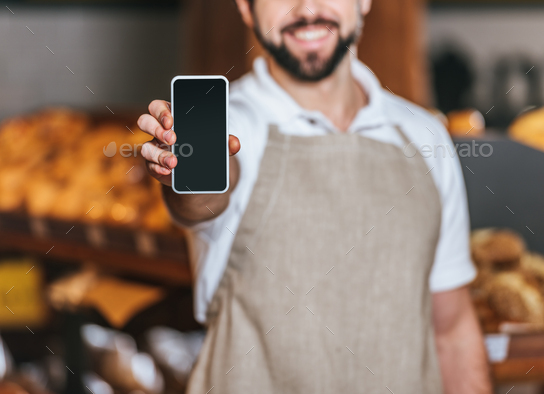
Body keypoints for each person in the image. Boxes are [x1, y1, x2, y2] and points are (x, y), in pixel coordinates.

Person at [137, 0, 492, 392]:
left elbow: (453, 329)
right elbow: (202, 200)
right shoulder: (234, 123)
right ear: (245, 7)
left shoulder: (425, 136)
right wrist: (185, 170)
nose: (307, 8)